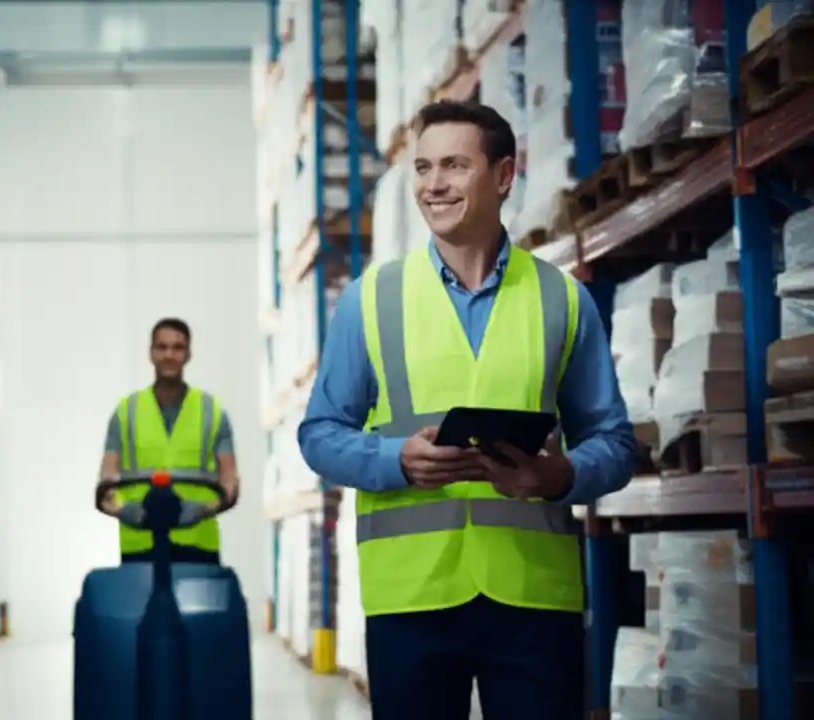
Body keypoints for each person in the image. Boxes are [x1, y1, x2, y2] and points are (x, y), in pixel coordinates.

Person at [297, 100, 639, 720]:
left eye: (454, 165)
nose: (433, 185)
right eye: (424, 168)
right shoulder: (370, 299)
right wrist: (394, 458)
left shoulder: (563, 299)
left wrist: (559, 476)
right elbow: (319, 434)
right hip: (411, 598)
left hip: (535, 596)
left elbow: (614, 442)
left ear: (504, 175)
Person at [97, 317, 240, 566]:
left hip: (198, 543)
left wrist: (205, 508)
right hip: (140, 544)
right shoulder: (126, 411)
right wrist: (123, 509)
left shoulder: (212, 411)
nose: (169, 355)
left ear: (188, 354)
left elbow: (230, 478)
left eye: (177, 348)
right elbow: (108, 475)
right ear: (151, 354)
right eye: (162, 347)